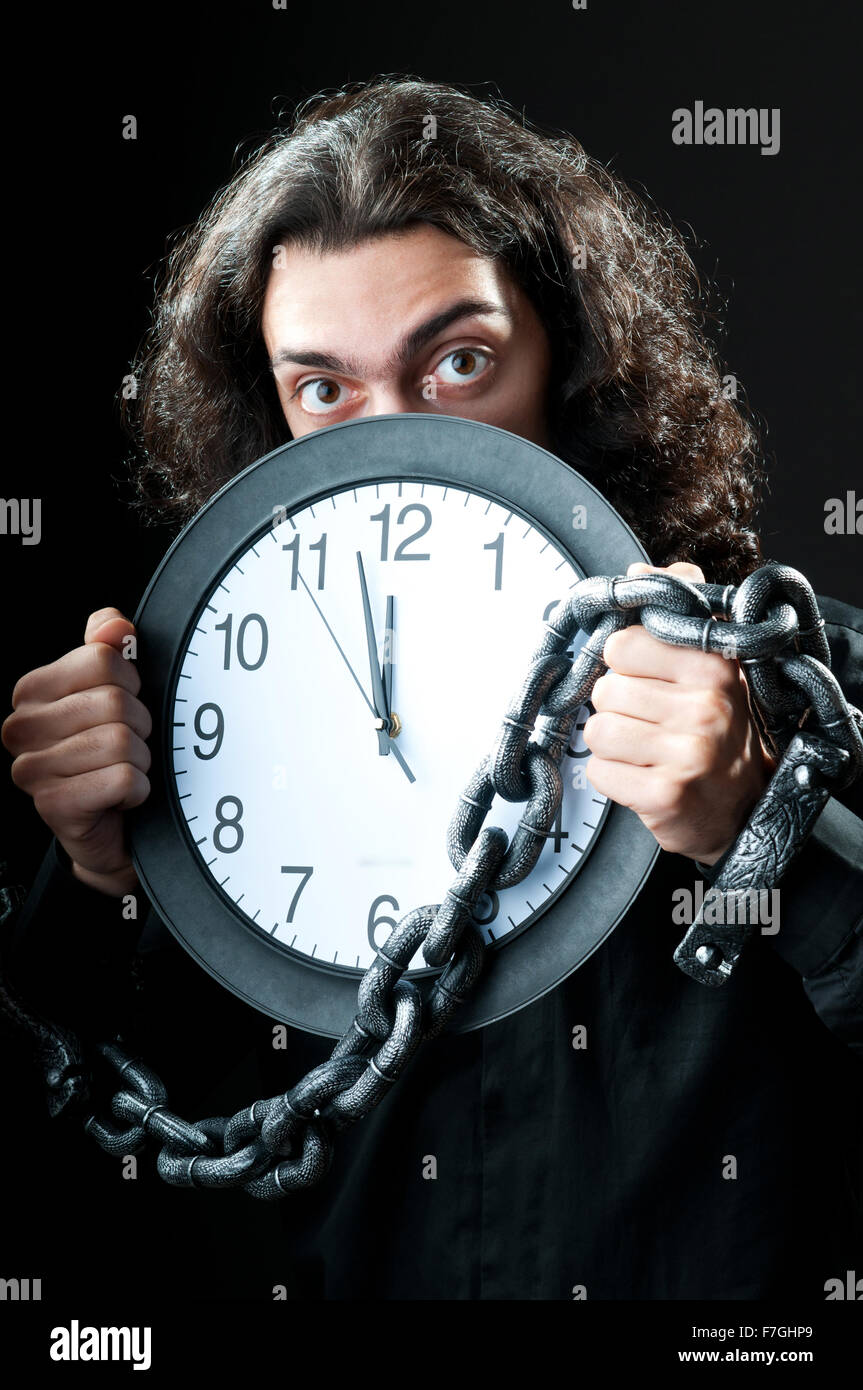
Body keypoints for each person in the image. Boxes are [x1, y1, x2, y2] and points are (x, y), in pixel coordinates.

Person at [2, 76, 861, 1301]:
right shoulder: (201, 759)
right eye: (323, 388)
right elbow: (84, 1160)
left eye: (458, 361)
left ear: (569, 364)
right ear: (268, 420)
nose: (396, 440)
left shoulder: (804, 681)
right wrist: (90, 877)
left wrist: (763, 822)